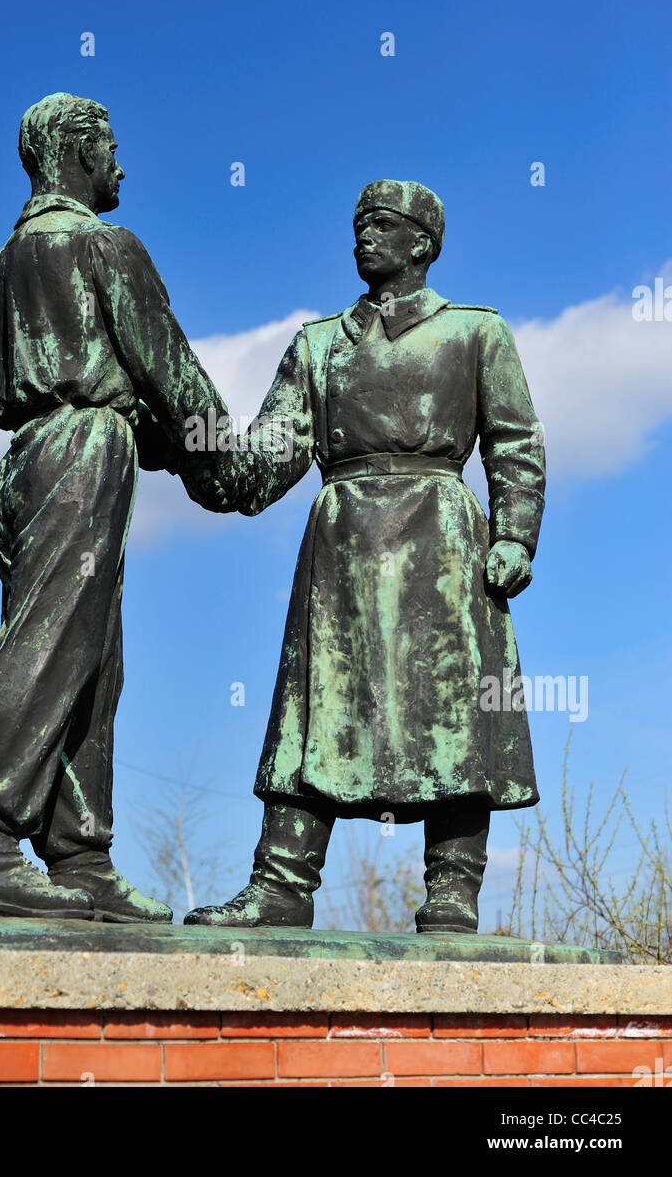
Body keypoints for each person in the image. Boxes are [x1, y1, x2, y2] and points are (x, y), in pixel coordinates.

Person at [186, 180, 546, 934]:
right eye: (356, 225)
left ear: (421, 241)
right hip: (342, 542)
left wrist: (514, 532)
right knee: (313, 706)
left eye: (380, 225)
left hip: (443, 542)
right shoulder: (316, 345)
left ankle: (452, 889)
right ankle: (281, 884)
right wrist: (191, 444)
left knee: (454, 714)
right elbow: (269, 455)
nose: (362, 238)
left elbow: (513, 440)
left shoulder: (475, 332)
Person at [0, 93, 228, 922]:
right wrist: (228, 469)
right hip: (82, 452)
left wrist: (152, 436)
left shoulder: (6, 262)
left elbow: (5, 389)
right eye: (111, 148)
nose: (121, 166)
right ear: (76, 152)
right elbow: (171, 376)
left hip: (26, 459)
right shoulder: (105, 246)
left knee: (91, 657)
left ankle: (79, 855)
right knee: (52, 638)